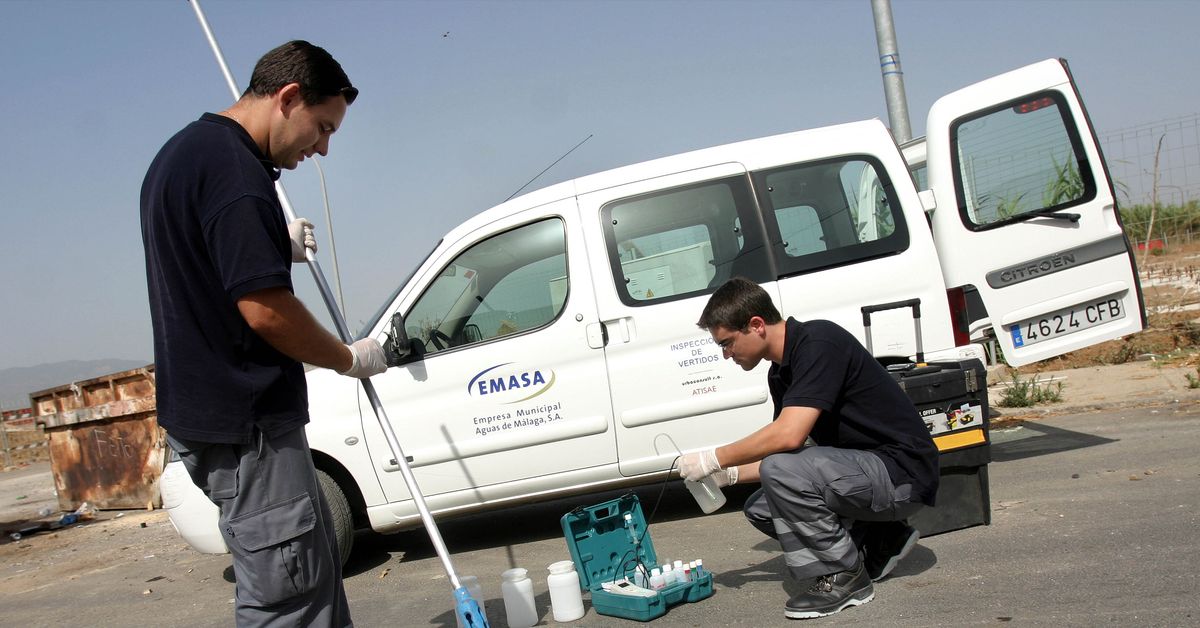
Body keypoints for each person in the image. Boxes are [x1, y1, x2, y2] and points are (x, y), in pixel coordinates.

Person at [140, 40, 387, 627]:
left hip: (216, 418)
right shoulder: (238, 175)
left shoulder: (186, 154)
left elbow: (205, 268)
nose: (322, 148)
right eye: (322, 127)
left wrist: (274, 242)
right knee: (289, 601)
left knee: (310, 577)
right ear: (289, 97)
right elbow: (265, 311)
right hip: (247, 426)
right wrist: (346, 357)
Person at [680, 277, 938, 620]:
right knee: (762, 507)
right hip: (867, 473)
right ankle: (883, 536)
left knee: (780, 474)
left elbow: (787, 437)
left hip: (901, 474)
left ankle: (845, 577)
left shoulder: (819, 342)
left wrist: (714, 458)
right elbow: (784, 454)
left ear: (756, 325)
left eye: (727, 343)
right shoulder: (780, 373)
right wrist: (729, 475)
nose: (726, 354)